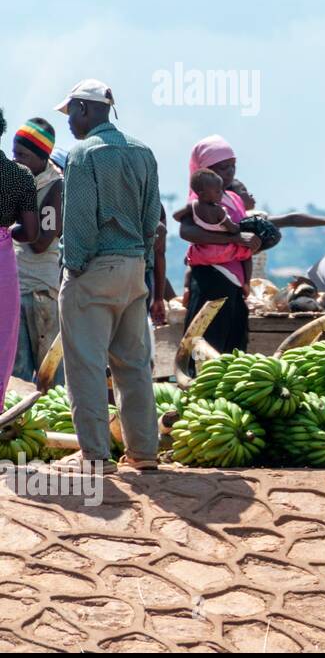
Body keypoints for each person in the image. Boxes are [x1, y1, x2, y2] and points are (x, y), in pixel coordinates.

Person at [53, 79, 162, 472]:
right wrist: (144, 261)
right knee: (133, 365)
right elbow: (153, 217)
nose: (69, 123)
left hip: (95, 268)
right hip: (134, 269)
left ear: (84, 109)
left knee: (85, 364)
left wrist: (74, 267)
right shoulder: (143, 151)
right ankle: (144, 453)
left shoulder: (84, 154)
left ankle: (96, 456)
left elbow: (79, 220)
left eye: (70, 114)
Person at [176, 136, 261, 355]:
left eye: (232, 167)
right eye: (222, 168)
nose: (229, 173)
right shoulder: (200, 201)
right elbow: (187, 231)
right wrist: (234, 239)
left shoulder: (232, 197)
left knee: (234, 348)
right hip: (210, 280)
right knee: (206, 347)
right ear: (204, 171)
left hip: (235, 281)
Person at [11, 118, 64, 383]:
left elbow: (42, 240)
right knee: (17, 372)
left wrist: (13, 223)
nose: (15, 160)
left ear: (42, 157)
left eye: (22, 155)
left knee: (49, 374)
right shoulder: (21, 181)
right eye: (13, 153)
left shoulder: (54, 186)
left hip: (39, 291)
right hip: (16, 287)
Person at [0, 110, 40, 401]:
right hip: (3, 259)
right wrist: (6, 234)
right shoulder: (19, 175)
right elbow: (32, 232)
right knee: (2, 339)